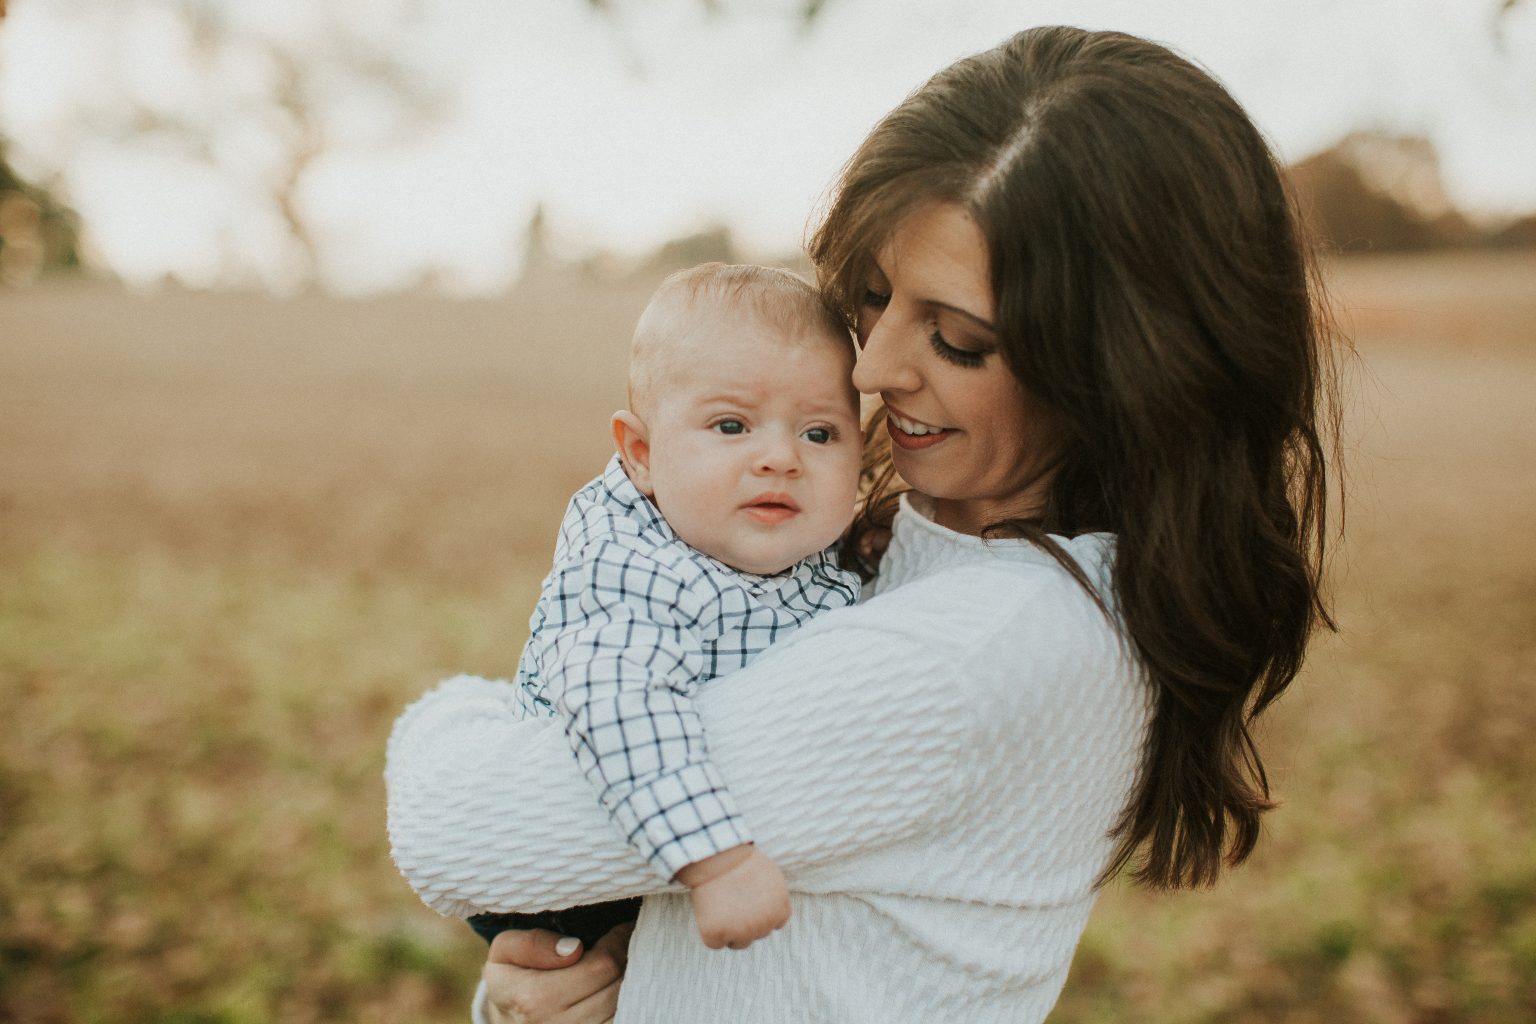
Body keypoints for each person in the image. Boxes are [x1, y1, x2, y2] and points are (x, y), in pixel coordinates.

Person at [385, 24, 1341, 1024]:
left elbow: (457, 832)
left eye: (957, 337)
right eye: (875, 298)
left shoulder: (965, 662)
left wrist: (450, 714)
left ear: (1125, 370)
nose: (873, 368)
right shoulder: (913, 556)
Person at [453, 262, 864, 953]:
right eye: (731, 425)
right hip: (580, 881)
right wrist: (716, 860)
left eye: (819, 434)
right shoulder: (631, 566)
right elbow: (618, 706)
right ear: (641, 454)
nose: (780, 458)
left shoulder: (791, 538)